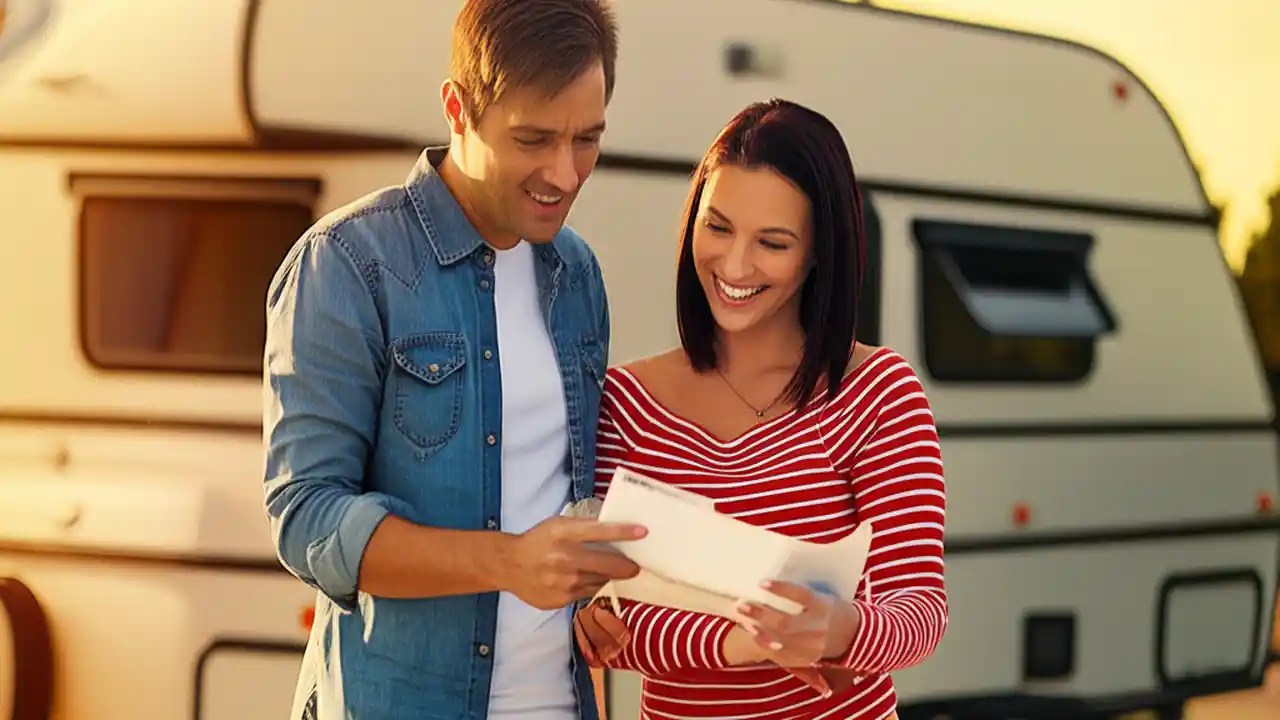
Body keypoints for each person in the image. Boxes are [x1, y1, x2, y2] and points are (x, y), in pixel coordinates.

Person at [260, 1, 646, 719]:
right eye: (533, 139)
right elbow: (306, 518)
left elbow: (566, 496)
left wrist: (598, 601)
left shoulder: (578, 275)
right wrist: (509, 563)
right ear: (457, 109)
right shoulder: (347, 263)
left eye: (587, 139)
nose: (565, 173)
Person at [572, 99, 948, 720]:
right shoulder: (627, 403)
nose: (735, 265)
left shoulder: (878, 391)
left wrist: (842, 629)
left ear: (818, 253)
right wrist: (752, 640)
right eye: (717, 228)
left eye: (772, 242)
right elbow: (612, 620)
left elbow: (920, 612)